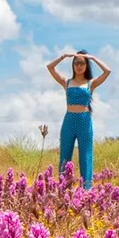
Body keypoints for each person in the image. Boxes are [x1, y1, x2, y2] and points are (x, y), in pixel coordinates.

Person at [46, 49, 110, 186]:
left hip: (84, 121)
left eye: (82, 63)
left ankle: (86, 190)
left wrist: (93, 58)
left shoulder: (90, 83)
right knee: (65, 156)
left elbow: (107, 71)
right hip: (69, 120)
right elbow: (50, 67)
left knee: (85, 156)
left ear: (86, 65)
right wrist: (64, 56)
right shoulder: (66, 82)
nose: (79, 66)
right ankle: (63, 188)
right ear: (73, 65)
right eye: (76, 63)